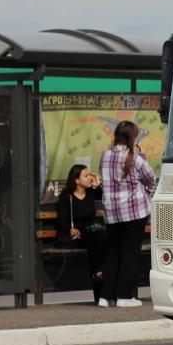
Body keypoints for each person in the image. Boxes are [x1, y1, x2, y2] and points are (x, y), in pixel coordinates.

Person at [99, 121, 157, 308]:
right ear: (132, 136)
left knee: (112, 253)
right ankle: (124, 296)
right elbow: (151, 180)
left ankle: (105, 297)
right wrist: (144, 158)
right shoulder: (136, 157)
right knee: (129, 253)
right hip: (134, 211)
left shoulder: (105, 154)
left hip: (112, 212)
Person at [57, 163, 105, 303]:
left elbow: (105, 196)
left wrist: (98, 185)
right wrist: (69, 229)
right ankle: (97, 273)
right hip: (78, 234)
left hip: (92, 229)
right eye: (86, 175)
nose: (89, 178)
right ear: (76, 180)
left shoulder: (91, 193)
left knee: (103, 236)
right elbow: (61, 221)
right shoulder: (67, 198)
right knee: (90, 239)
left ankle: (98, 272)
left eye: (90, 174)